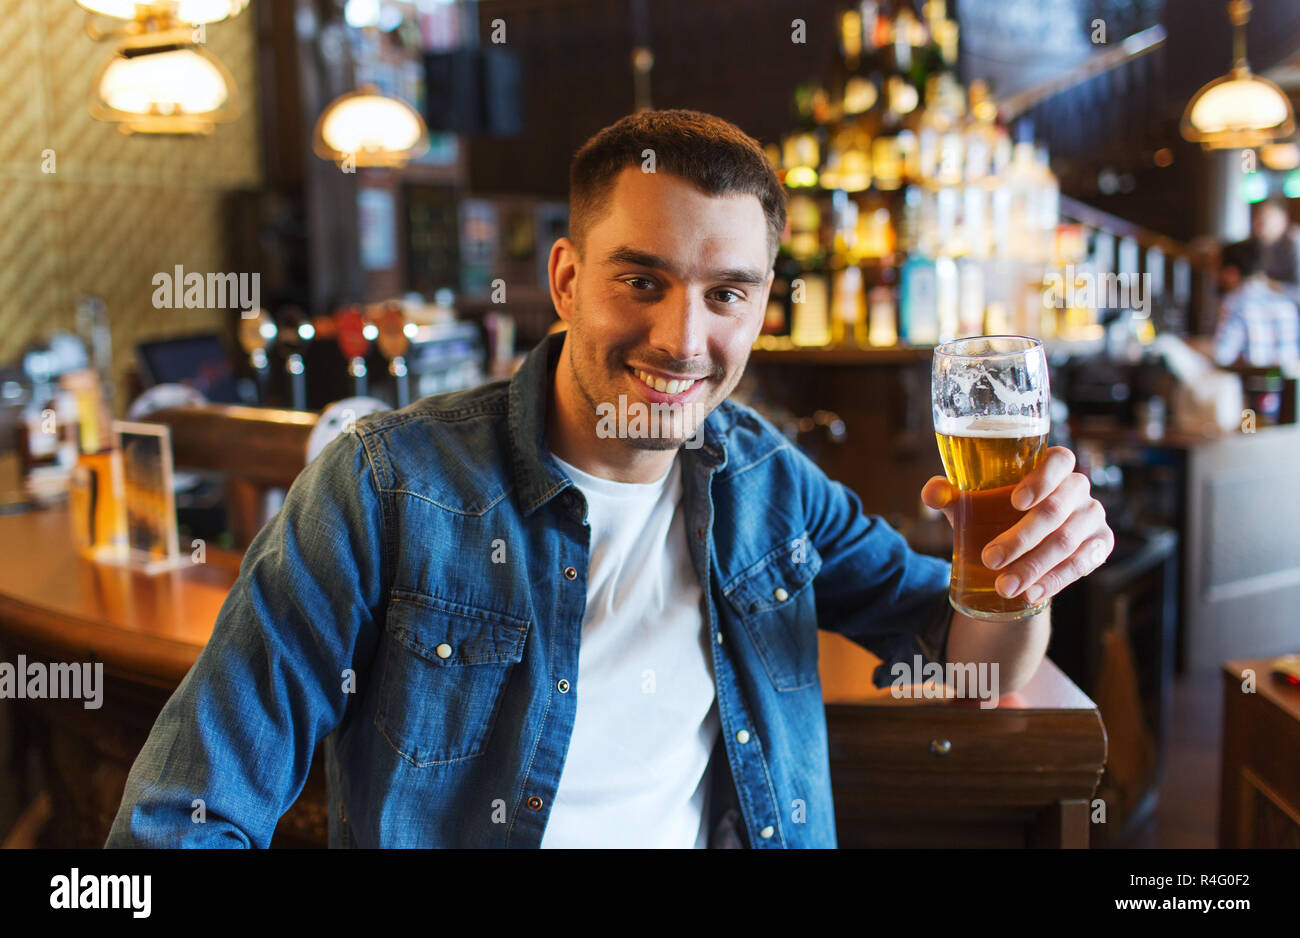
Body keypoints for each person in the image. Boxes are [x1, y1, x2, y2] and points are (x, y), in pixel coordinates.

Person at [107, 110, 1114, 849]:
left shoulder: (772, 484)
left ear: (762, 305)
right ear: (565, 280)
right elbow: (186, 809)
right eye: (642, 280)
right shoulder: (382, 489)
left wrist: (1016, 576)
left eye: (726, 293)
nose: (682, 339)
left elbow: (971, 658)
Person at [1213, 238, 1300, 371]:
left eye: (1217, 269)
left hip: (1250, 386)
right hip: (1284, 387)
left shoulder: (1236, 302)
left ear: (1232, 272)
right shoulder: (1286, 303)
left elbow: (1222, 355)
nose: (1214, 276)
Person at [1250, 198, 1300, 305]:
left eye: (1265, 219)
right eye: (1256, 219)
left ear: (1283, 219)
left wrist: (1268, 285)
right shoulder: (1266, 243)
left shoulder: (1295, 243)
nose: (1258, 226)